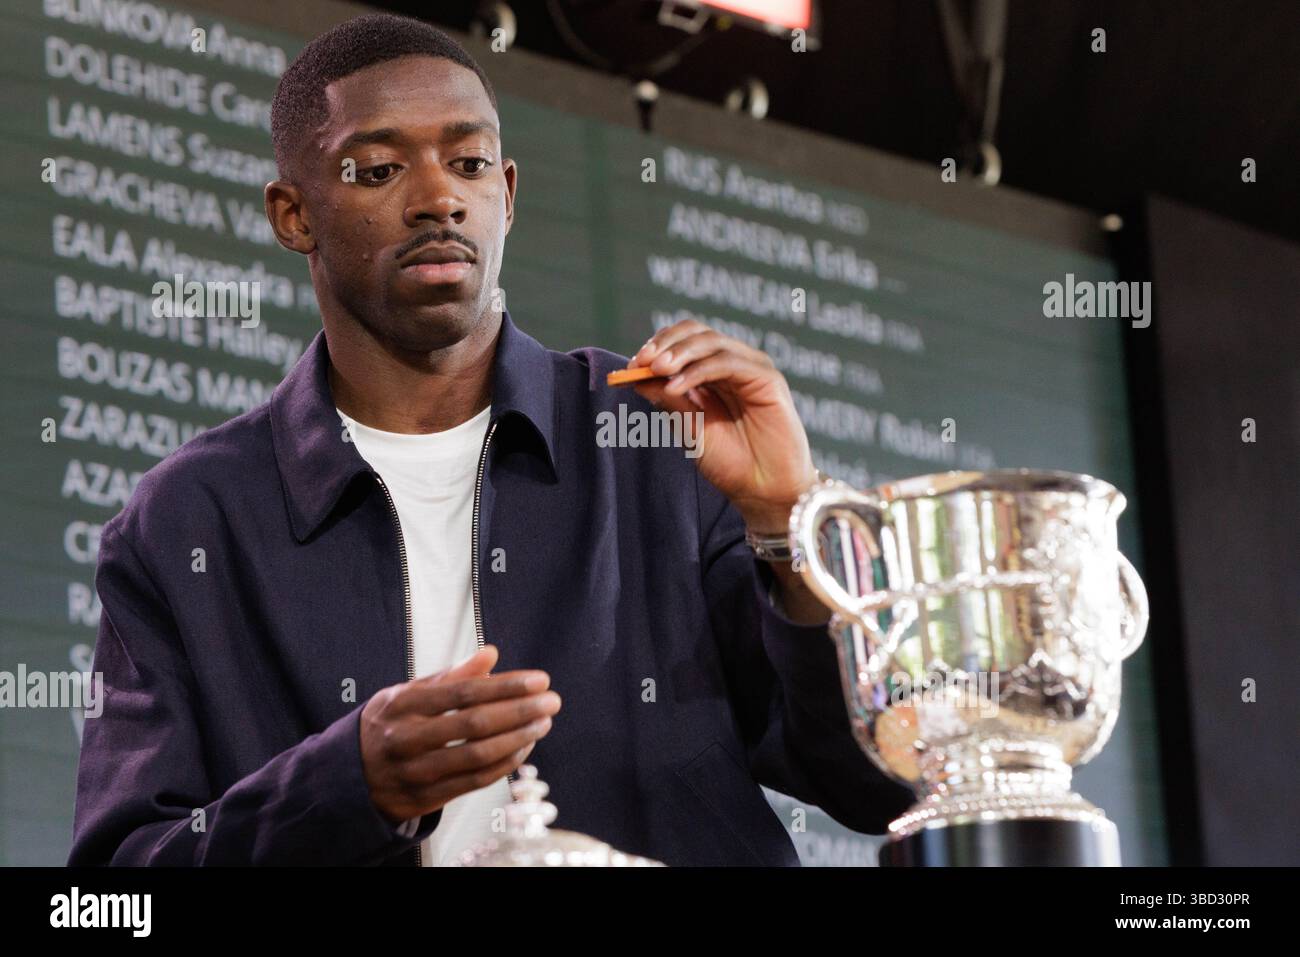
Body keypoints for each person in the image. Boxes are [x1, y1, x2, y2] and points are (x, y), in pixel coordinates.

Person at [69, 13, 911, 867]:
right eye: (381, 167)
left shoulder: (661, 437)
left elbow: (883, 782)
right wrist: (346, 786)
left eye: (468, 162)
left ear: (506, 194)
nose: (439, 196)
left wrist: (787, 521)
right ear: (294, 215)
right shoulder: (187, 519)